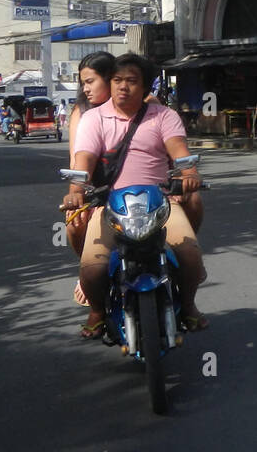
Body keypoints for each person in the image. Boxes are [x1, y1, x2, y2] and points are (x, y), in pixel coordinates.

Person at [63, 53, 208, 336]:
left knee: (190, 255)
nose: (123, 87)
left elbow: (180, 153)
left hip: (160, 203)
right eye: (117, 80)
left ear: (144, 87)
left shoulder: (164, 116)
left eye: (131, 81)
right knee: (92, 269)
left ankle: (189, 305)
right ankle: (97, 311)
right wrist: (75, 190)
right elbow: (83, 161)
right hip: (111, 205)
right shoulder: (93, 119)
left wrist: (189, 174)